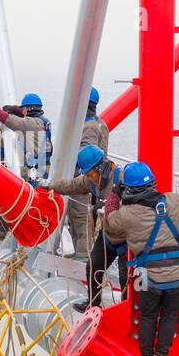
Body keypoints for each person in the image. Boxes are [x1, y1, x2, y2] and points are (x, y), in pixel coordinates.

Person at [102, 161, 179, 356]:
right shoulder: (174, 200)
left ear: (128, 188)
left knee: (148, 316)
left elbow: (109, 223)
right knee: (169, 315)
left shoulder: (127, 214)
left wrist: (114, 196)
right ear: (152, 182)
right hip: (177, 272)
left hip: (149, 276)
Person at [45, 144, 127, 312]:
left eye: (91, 174)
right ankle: (93, 303)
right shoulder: (91, 180)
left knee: (125, 276)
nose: (90, 178)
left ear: (101, 167)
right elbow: (72, 185)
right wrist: (49, 186)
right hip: (109, 234)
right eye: (88, 175)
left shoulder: (122, 179)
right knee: (94, 265)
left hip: (127, 236)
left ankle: (126, 311)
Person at [64, 87, 110, 255]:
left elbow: (86, 154)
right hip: (96, 178)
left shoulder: (89, 127)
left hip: (84, 179)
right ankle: (81, 252)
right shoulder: (100, 123)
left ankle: (82, 255)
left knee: (80, 217)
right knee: (82, 217)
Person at [0, 92, 52, 183]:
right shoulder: (42, 121)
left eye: (23, 109)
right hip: (42, 170)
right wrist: (15, 110)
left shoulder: (30, 124)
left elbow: (8, 119)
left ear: (27, 109)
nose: (22, 111)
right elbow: (24, 116)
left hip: (34, 175)